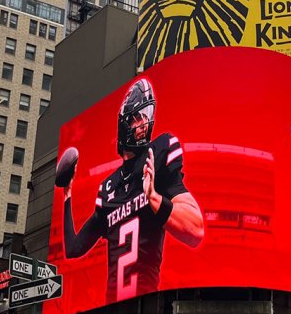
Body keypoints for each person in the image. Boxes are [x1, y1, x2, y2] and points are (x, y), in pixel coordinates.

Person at [60, 78, 204, 302]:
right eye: (137, 117)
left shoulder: (156, 155)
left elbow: (196, 230)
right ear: (124, 123)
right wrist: (67, 194)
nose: (143, 123)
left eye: (146, 116)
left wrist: (154, 198)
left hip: (146, 305)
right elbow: (73, 248)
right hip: (111, 308)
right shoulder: (109, 187)